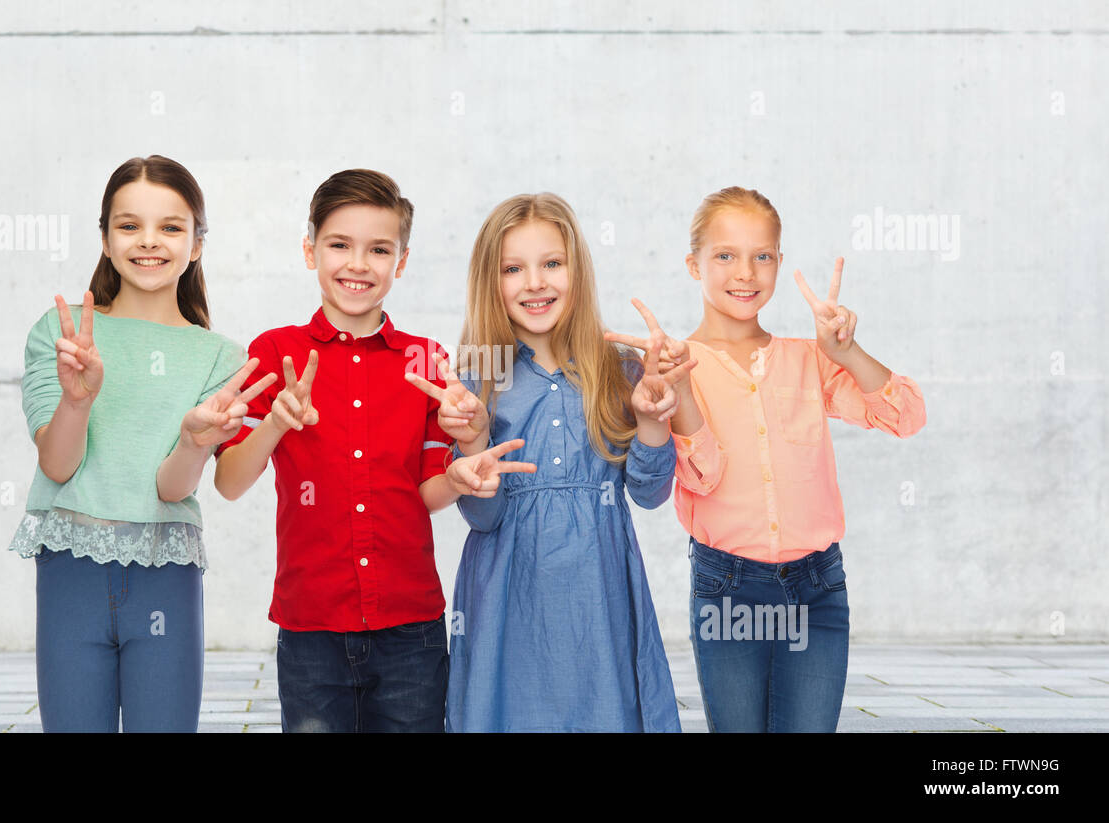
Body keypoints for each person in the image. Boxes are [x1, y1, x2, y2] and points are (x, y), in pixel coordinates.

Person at [613, 185, 927, 732]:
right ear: (694, 265)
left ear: (779, 263)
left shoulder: (810, 360)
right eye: (725, 256)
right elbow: (702, 476)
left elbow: (906, 416)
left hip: (817, 586)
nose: (746, 272)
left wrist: (845, 351)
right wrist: (681, 393)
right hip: (727, 588)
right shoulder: (674, 368)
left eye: (762, 256)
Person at [8, 155, 273, 732]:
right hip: (70, 569)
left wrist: (193, 441)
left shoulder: (220, 358)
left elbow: (173, 488)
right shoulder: (61, 334)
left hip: (166, 576)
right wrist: (77, 400)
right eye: (129, 226)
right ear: (104, 238)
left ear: (197, 243)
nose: (148, 242)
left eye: (170, 227)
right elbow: (57, 465)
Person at [214, 168, 477, 732]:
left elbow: (426, 494)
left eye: (378, 249)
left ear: (400, 262)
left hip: (411, 627)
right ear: (310, 251)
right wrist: (275, 426)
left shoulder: (426, 361)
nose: (358, 264)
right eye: (339, 245)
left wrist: (457, 477)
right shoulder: (274, 351)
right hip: (312, 628)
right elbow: (229, 483)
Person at [434, 192, 687, 732]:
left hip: (598, 594)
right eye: (513, 268)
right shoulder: (476, 378)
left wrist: (651, 419)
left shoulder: (618, 366)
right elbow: (483, 518)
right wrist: (475, 442)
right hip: (508, 594)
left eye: (552, 263)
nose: (535, 282)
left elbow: (648, 492)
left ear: (577, 269)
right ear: (490, 280)